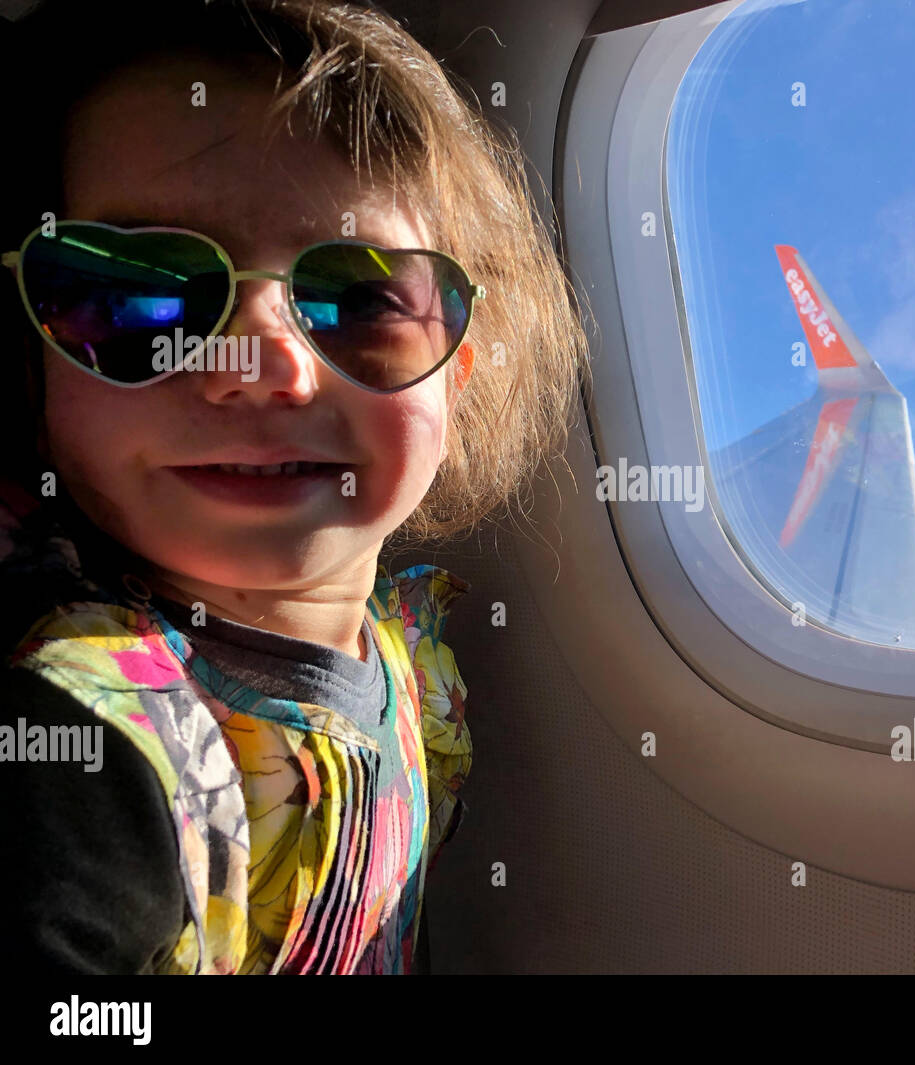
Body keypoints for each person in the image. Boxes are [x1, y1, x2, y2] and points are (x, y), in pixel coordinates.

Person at [0, 0, 587, 974]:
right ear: (30, 366)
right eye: (141, 294)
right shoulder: (78, 750)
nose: (266, 365)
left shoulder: (415, 662)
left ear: (461, 368)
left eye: (362, 301)